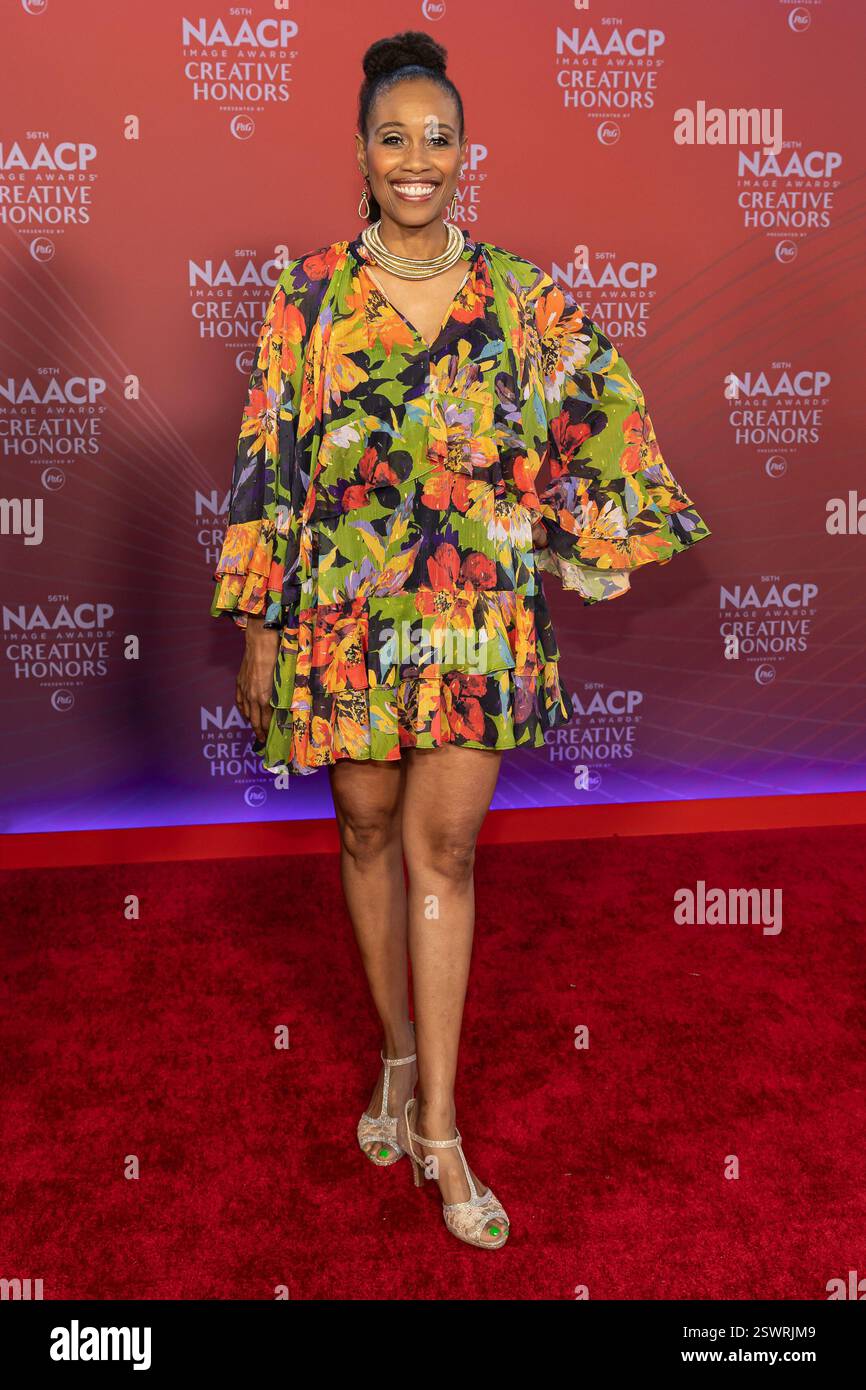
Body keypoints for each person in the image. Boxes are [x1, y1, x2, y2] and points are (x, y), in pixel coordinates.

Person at [209, 30, 711, 1249]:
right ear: (362, 151)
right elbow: (264, 465)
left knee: (448, 853)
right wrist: (260, 620)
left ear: (464, 150)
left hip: (477, 621)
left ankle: (439, 1126)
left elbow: (606, 427)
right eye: (395, 137)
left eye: (438, 137)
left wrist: (587, 539)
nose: (417, 159)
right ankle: (392, 1053)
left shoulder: (524, 297)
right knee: (365, 827)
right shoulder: (307, 295)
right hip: (341, 613)